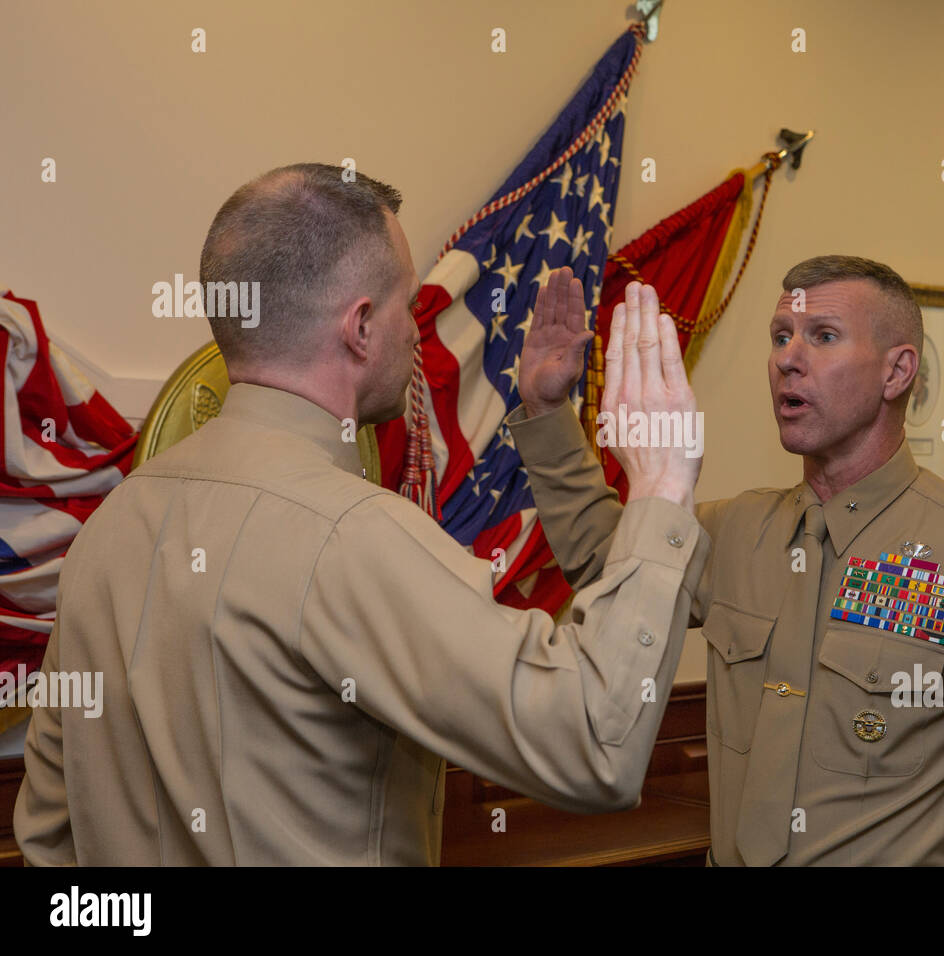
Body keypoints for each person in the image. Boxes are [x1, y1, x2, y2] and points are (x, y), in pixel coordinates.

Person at [14, 163, 709, 866]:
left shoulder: (110, 522)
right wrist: (659, 488)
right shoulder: (348, 534)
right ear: (361, 326)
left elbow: (46, 835)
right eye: (407, 305)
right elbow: (594, 744)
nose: (416, 332)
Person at [510, 255, 944, 865]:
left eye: (823, 337)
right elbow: (608, 562)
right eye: (781, 336)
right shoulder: (736, 531)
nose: (788, 357)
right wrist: (548, 414)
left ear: (897, 372)